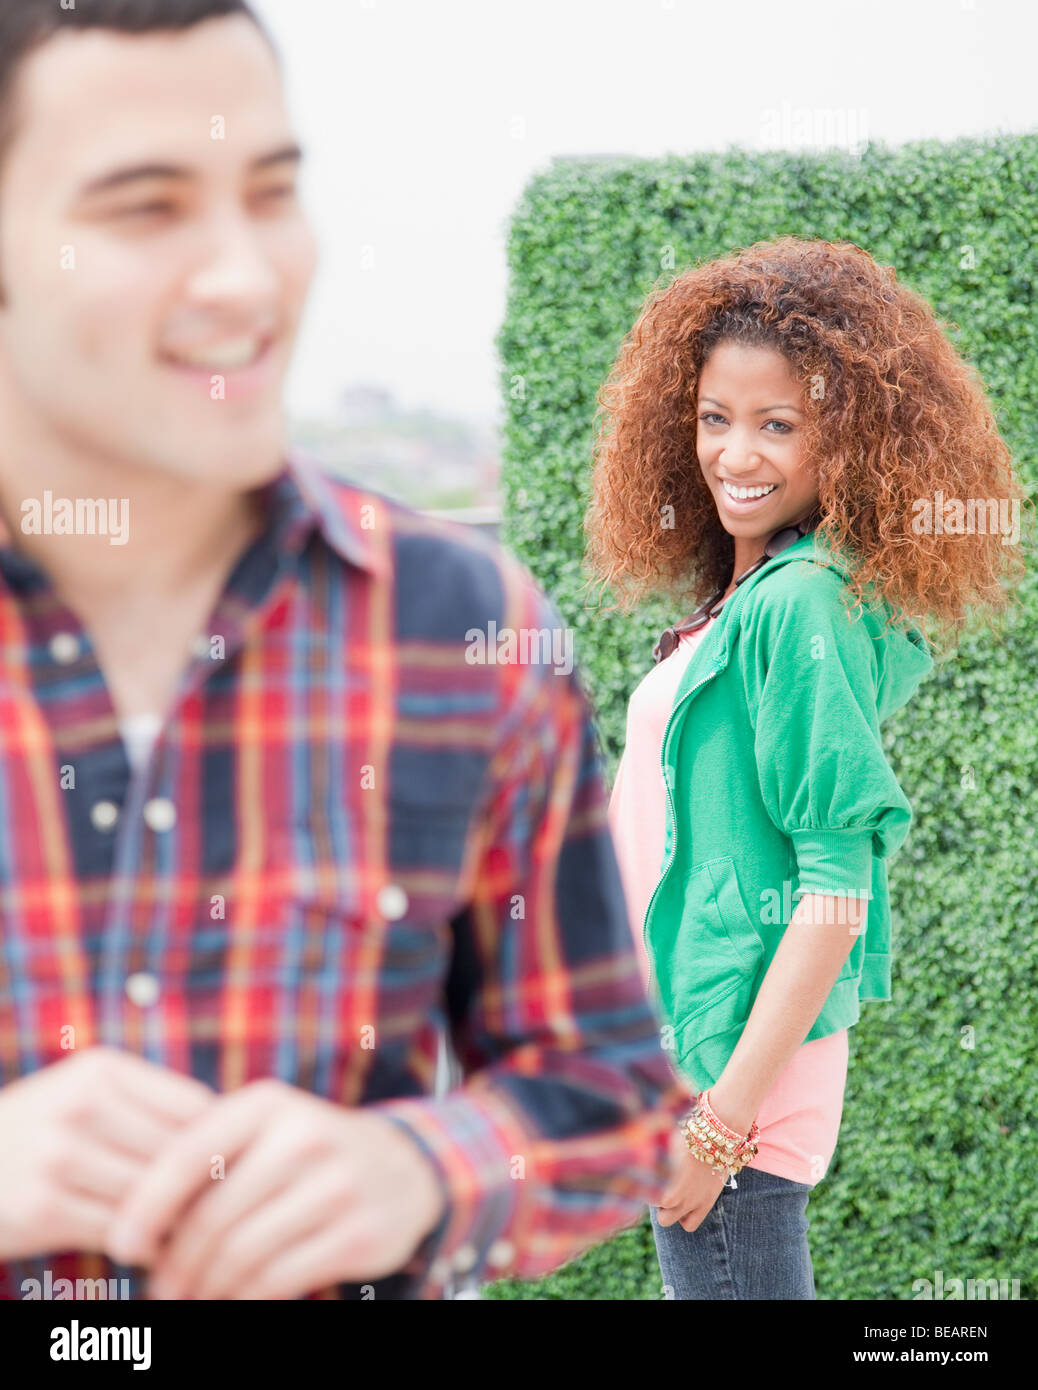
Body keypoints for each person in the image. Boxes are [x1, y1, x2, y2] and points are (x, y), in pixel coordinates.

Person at [0, 0, 690, 1301]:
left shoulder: (462, 632)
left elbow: (609, 1088)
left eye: (270, 193)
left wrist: (425, 1166)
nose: (246, 278)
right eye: (145, 207)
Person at [585, 235, 1030, 1299]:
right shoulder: (747, 601)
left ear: (853, 442)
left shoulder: (799, 605)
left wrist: (717, 1123)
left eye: (778, 425)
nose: (736, 454)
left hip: (726, 1096)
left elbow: (835, 897)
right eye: (713, 419)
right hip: (685, 1065)